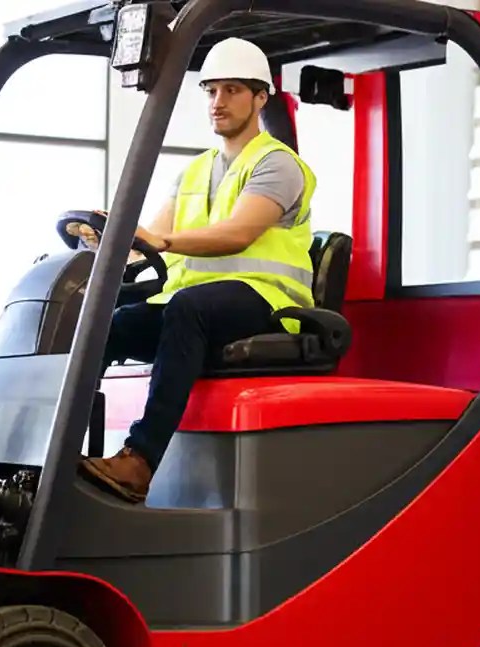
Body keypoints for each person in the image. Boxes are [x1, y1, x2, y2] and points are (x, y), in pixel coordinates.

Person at [75, 37, 319, 504]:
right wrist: (110, 243)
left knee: (187, 308)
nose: (218, 102)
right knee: (114, 322)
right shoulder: (194, 172)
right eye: (210, 91)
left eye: (232, 90)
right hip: (204, 307)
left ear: (260, 97)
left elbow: (237, 234)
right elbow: (152, 241)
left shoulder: (278, 164)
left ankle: (140, 461)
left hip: (268, 303)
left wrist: (160, 241)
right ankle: (65, 447)